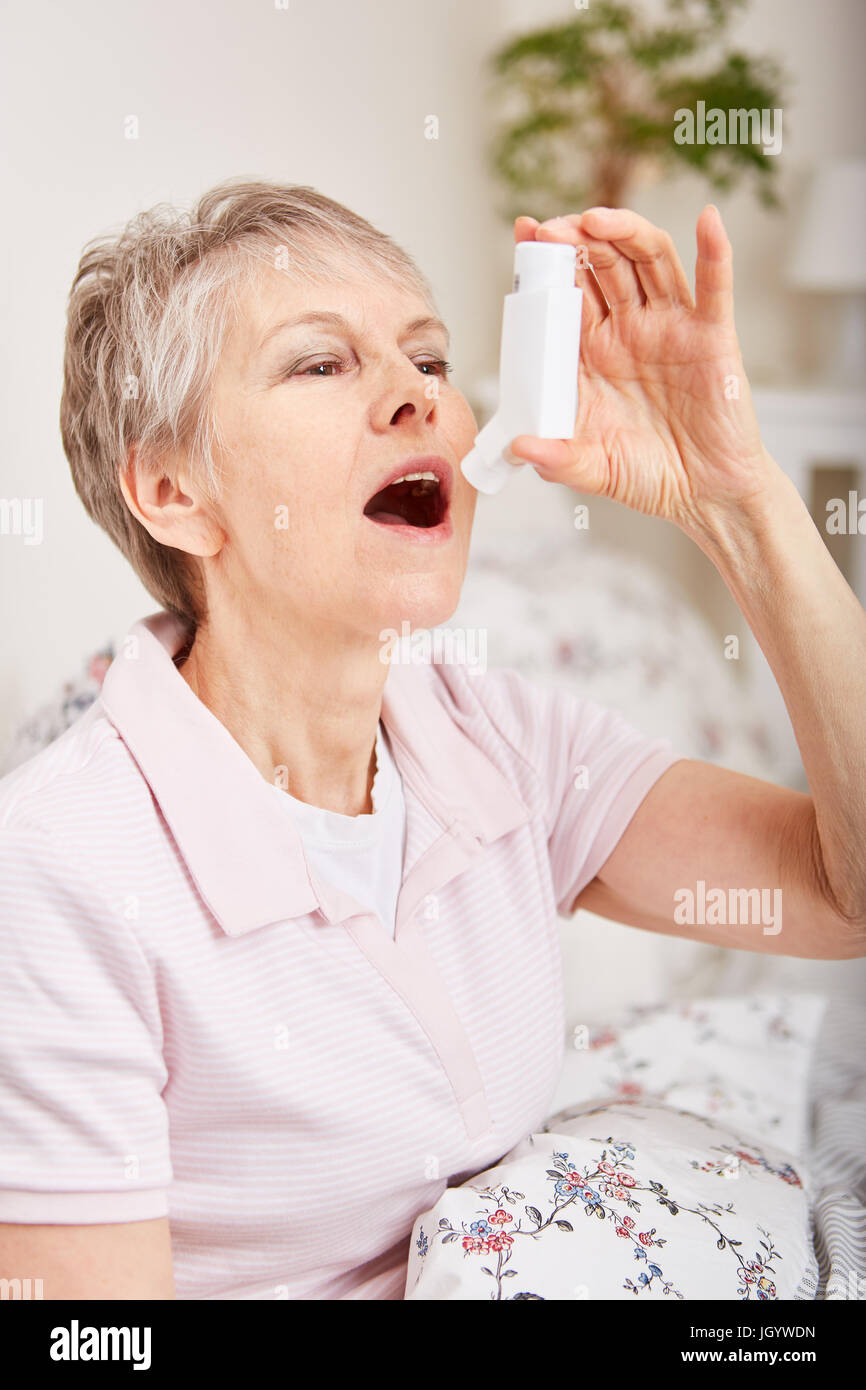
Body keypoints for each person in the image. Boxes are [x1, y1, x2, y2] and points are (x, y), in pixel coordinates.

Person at [0, 179, 863, 1300]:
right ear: (174, 492)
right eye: (320, 363)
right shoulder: (60, 870)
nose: (415, 397)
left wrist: (736, 498)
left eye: (430, 360)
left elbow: (845, 893)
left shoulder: (490, 738)